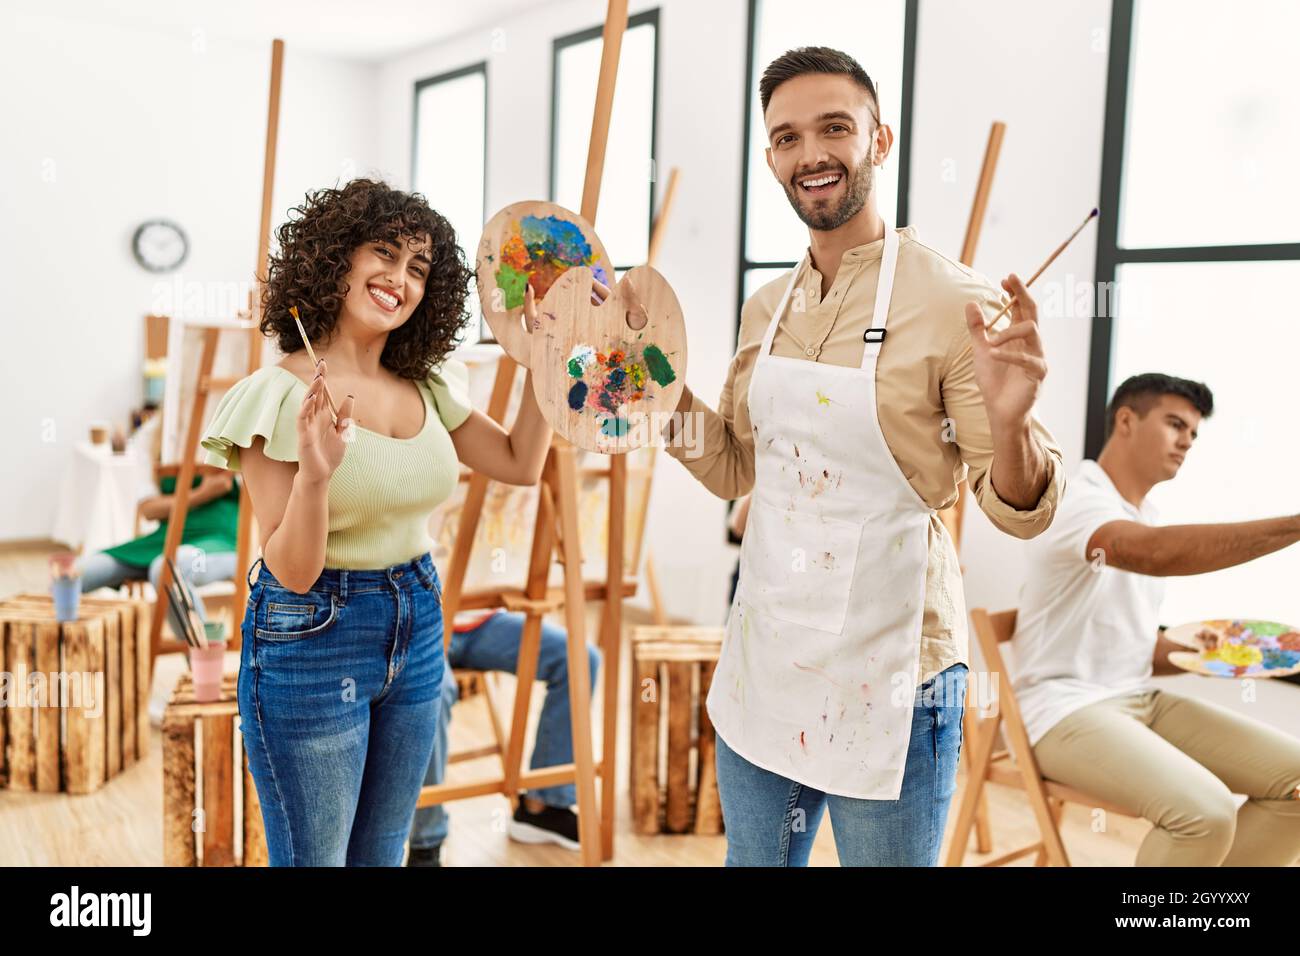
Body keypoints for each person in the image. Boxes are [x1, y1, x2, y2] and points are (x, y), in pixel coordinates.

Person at [661, 47, 1065, 866]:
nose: (810, 153)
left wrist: (1015, 422)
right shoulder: (767, 308)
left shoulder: (957, 303)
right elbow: (738, 468)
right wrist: (655, 398)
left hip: (894, 676)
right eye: (787, 137)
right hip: (767, 651)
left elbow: (1017, 509)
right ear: (772, 157)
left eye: (834, 127)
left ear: (879, 142)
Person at [200, 179, 595, 866]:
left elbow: (519, 462)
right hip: (312, 634)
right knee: (316, 856)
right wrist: (317, 478)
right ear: (334, 260)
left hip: (416, 619)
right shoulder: (275, 395)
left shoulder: (426, 384)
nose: (400, 279)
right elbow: (291, 571)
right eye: (383, 254)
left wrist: (540, 367)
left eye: (418, 268)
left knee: (384, 850)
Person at [1011, 372, 1300, 866]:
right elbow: (1152, 554)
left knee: (1295, 778)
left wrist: (1220, 653)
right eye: (1174, 424)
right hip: (1061, 711)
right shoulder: (1077, 499)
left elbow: (1133, 644)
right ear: (1126, 420)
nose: (1186, 440)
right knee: (1204, 813)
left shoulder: (1147, 514)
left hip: (1135, 696)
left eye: (1193, 433)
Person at [406, 610, 601, 865]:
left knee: (580, 659)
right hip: (418, 620)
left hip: (478, 619)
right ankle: (426, 840)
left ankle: (542, 807)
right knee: (432, 689)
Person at [79, 470, 239, 640]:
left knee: (166, 569)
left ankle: (203, 659)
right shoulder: (154, 448)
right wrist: (200, 494)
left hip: (220, 540)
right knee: (74, 573)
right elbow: (149, 510)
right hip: (163, 540)